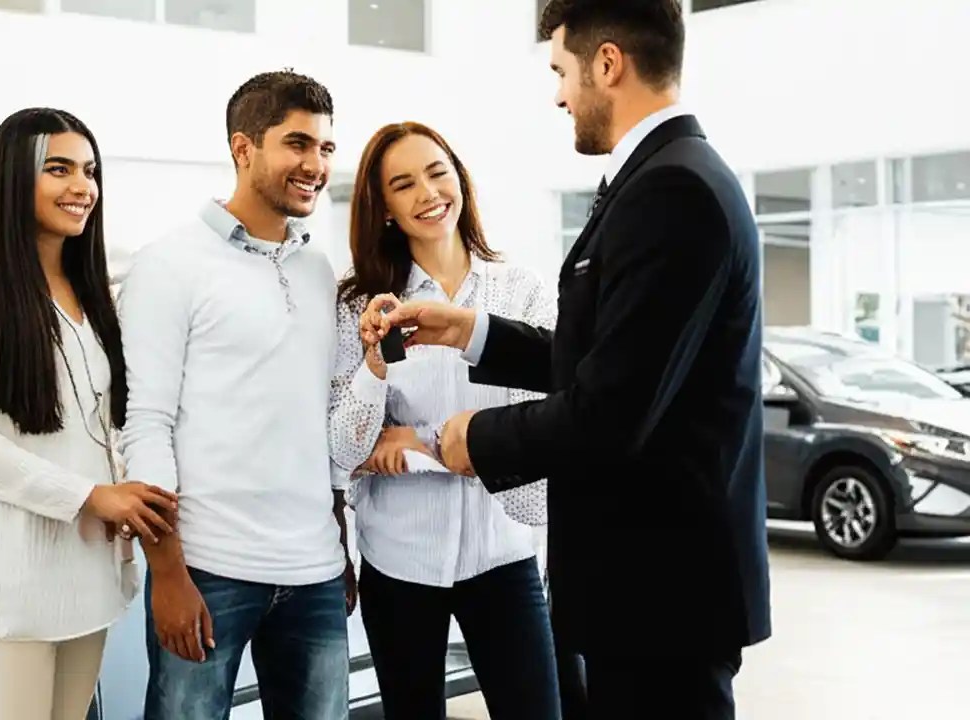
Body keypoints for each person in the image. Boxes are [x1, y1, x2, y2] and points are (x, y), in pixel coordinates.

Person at [363, 1, 773, 718]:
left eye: (561, 70)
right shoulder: (665, 176)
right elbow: (610, 361)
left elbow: (612, 408)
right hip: (650, 588)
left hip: (660, 590)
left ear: (607, 64)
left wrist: (471, 439)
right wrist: (473, 332)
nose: (559, 95)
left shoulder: (671, 189)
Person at [0, 107, 178, 720]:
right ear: (14, 177)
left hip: (85, 577)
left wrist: (123, 495)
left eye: (90, 171)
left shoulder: (92, 293)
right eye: (58, 169)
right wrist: (92, 496)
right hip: (6, 586)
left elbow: (105, 423)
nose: (82, 186)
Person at [117, 70, 353, 720]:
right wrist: (168, 571)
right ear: (243, 149)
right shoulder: (170, 262)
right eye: (297, 144)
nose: (315, 165)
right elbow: (146, 423)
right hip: (208, 568)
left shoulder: (318, 269)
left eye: (326, 148)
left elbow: (317, 417)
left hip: (315, 571)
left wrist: (339, 543)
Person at [329, 121, 562, 719]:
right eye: (403, 184)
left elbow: (541, 433)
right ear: (383, 208)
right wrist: (374, 367)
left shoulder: (521, 291)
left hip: (503, 555)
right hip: (399, 560)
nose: (428, 194)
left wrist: (421, 443)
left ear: (460, 178)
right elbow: (343, 449)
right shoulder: (358, 305)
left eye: (437, 173)